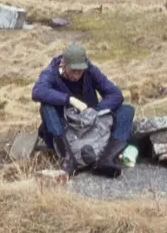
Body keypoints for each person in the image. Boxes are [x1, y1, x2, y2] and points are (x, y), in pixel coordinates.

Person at [31, 43, 134, 178]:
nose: (77, 75)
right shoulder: (51, 72)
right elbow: (38, 92)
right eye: (74, 71)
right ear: (64, 64)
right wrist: (70, 100)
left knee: (126, 110)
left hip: (91, 125)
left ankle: (105, 159)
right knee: (46, 108)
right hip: (65, 127)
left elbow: (115, 94)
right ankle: (68, 161)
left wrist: (95, 110)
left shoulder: (90, 70)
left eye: (80, 71)